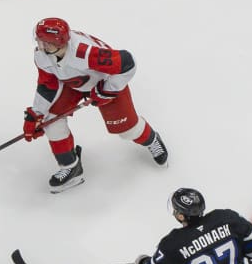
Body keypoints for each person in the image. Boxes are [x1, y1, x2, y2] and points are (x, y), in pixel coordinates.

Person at [22, 17, 169, 193]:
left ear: (60, 43)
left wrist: (108, 89)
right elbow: (48, 84)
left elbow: (127, 63)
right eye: (39, 40)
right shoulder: (42, 55)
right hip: (74, 83)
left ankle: (152, 139)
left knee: (127, 130)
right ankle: (71, 167)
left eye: (45, 43)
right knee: (50, 120)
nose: (40, 46)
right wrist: (37, 114)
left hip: (105, 81)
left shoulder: (83, 53)